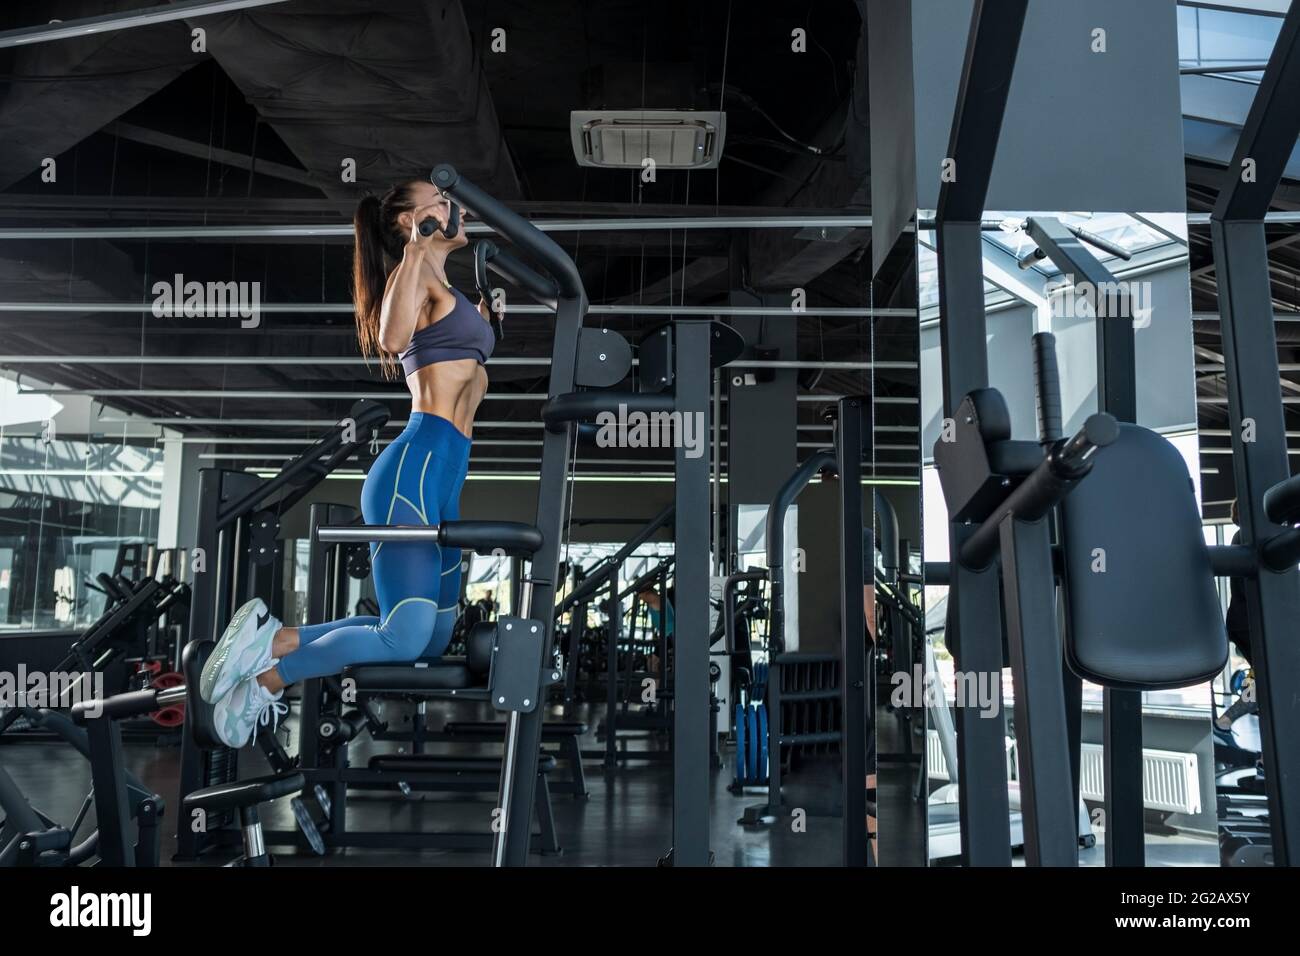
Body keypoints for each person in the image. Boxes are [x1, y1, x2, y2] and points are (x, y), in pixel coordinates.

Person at [198, 177, 503, 748]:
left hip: (443, 477)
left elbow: (468, 378)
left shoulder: (444, 289)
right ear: (414, 221)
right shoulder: (412, 274)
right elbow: (391, 339)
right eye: (440, 201)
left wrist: (485, 322)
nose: (454, 207)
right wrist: (416, 249)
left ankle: (278, 638)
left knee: (431, 639)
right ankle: (268, 678)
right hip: (411, 474)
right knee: (403, 641)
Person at [1215, 499, 1258, 743]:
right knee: (1269, 679)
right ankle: (1223, 722)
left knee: (1261, 678)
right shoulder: (1246, 538)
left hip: (1243, 622)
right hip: (1250, 623)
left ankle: (1224, 722)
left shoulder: (1240, 537)